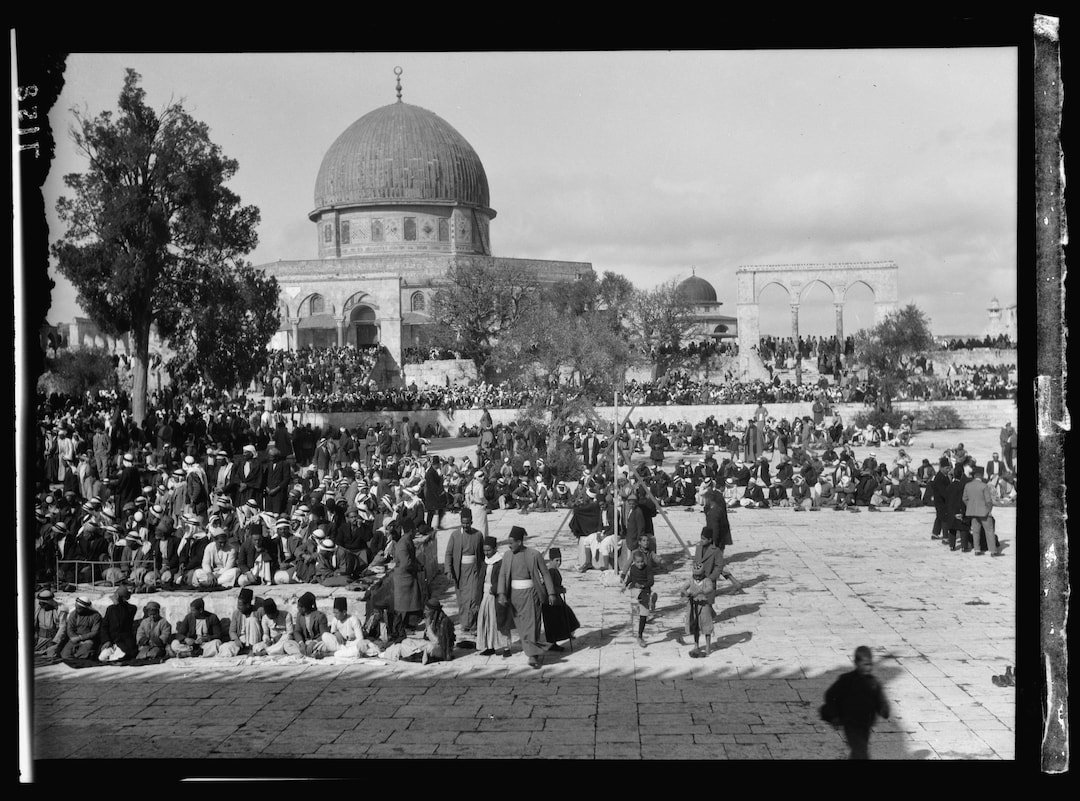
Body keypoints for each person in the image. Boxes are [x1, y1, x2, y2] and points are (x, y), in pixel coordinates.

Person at [496, 526, 556, 669]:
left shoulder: (534, 554)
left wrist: (551, 593)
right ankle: (532, 650)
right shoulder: (507, 556)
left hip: (531, 594)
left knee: (532, 625)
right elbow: (503, 575)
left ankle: (533, 656)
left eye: (511, 542)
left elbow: (545, 574)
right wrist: (502, 593)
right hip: (515, 597)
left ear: (520, 542)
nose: (509, 545)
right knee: (522, 627)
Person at [822, 646, 891, 759]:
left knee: (858, 751)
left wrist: (883, 709)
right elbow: (830, 695)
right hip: (850, 723)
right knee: (861, 752)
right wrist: (834, 715)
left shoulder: (873, 682)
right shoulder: (846, 680)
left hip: (866, 724)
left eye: (870, 664)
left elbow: (879, 698)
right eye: (865, 664)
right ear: (856, 663)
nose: (868, 668)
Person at [445, 507, 485, 637]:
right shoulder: (455, 535)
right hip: (460, 572)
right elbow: (448, 553)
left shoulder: (478, 535)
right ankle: (465, 624)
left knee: (474, 598)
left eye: (468, 522)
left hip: (474, 571)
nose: (466, 525)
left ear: (472, 522)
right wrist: (448, 570)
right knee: (463, 600)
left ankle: (473, 623)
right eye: (463, 522)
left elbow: (482, 555)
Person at [541, 547, 579, 652]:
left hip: (555, 600)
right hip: (550, 601)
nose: (559, 563)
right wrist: (561, 589)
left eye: (560, 560)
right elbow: (550, 586)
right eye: (556, 560)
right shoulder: (551, 571)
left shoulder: (552, 570)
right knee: (555, 621)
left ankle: (565, 635)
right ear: (551, 560)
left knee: (564, 617)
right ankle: (553, 643)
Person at [620, 549, 655, 649]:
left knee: (643, 615)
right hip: (635, 589)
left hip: (645, 590)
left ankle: (640, 636)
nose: (640, 564)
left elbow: (651, 581)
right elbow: (631, 578)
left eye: (642, 562)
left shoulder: (648, 569)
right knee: (641, 601)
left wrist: (643, 585)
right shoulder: (633, 568)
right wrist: (625, 585)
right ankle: (649, 601)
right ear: (634, 562)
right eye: (638, 562)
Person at [962, 469, 1002, 556]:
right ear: (981, 476)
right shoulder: (984, 486)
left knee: (976, 531)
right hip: (984, 512)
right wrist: (989, 510)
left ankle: (977, 549)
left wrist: (970, 506)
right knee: (989, 531)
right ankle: (993, 551)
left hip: (972, 511)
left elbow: (964, 499)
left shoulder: (968, 485)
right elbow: (988, 500)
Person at [681, 561, 715, 658]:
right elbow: (683, 588)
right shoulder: (691, 580)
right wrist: (686, 593)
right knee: (695, 626)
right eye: (695, 575)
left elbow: (710, 588)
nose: (697, 577)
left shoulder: (707, 580)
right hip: (693, 605)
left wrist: (701, 591)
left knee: (706, 625)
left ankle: (708, 646)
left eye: (699, 575)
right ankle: (696, 645)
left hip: (704, 605)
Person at [97, 585, 139, 662]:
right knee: (102, 657)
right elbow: (104, 626)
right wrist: (106, 640)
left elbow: (124, 616)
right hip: (111, 641)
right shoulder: (111, 609)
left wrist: (119, 604)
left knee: (117, 658)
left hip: (124, 641)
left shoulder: (131, 609)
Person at [58, 596, 103, 660]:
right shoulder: (73, 614)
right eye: (76, 607)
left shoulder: (96, 616)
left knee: (84, 654)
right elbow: (70, 628)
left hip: (89, 639)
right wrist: (73, 637)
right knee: (65, 655)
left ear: (85, 608)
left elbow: (95, 632)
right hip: (74, 638)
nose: (77, 609)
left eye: (79, 608)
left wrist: (81, 638)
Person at [293, 591, 331, 657]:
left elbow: (324, 634)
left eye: (299, 607)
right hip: (305, 643)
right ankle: (305, 652)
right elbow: (297, 631)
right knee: (288, 644)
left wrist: (314, 642)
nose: (297, 608)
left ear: (304, 608)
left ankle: (310, 653)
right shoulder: (299, 616)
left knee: (324, 646)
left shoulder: (320, 616)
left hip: (317, 642)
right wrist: (301, 643)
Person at [34, 589, 67, 655]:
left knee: (51, 653)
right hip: (40, 638)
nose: (42, 606)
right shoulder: (38, 608)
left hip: (53, 639)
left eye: (44, 604)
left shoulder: (60, 609)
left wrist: (55, 641)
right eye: (41, 604)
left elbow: (62, 627)